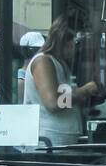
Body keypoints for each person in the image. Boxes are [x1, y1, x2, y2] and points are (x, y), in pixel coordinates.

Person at [22, 13, 99, 148]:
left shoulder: (59, 63)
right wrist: (85, 90)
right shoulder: (43, 61)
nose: (79, 49)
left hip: (59, 140)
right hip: (47, 143)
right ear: (64, 40)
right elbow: (54, 103)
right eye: (77, 43)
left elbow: (65, 101)